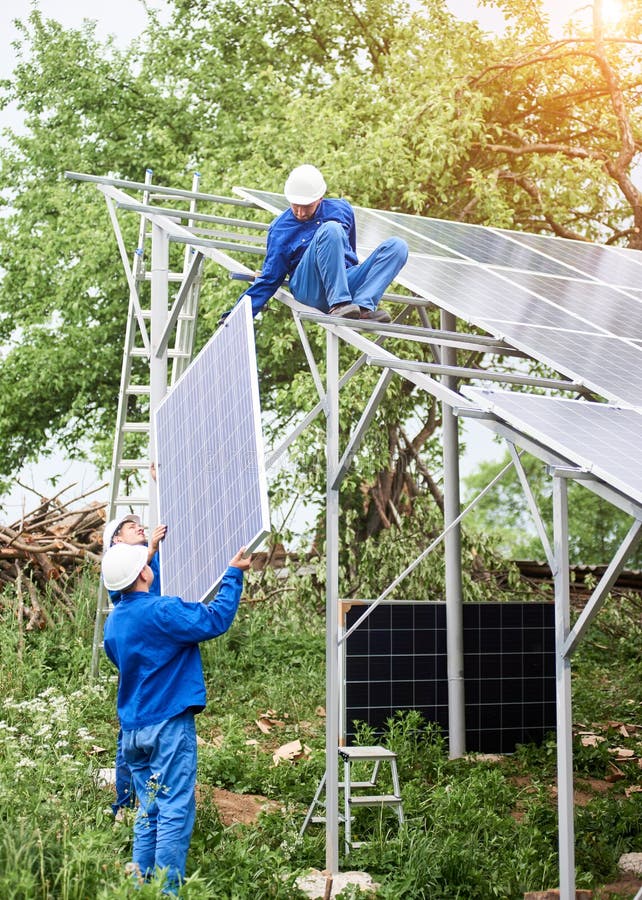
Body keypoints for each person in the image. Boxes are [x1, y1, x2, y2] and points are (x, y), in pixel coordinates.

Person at [101, 541, 251, 895]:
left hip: (133, 731)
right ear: (143, 573)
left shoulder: (113, 624)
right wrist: (232, 575)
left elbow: (120, 660)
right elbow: (215, 619)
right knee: (173, 809)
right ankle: (168, 891)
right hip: (168, 725)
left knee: (149, 808)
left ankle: (141, 887)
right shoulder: (163, 611)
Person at [232, 164, 409, 324]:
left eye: (306, 206)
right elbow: (270, 279)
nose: (300, 212)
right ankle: (339, 304)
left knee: (397, 246)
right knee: (331, 229)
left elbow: (348, 253)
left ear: (320, 198)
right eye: (295, 206)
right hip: (308, 288)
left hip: (343, 283)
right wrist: (235, 317)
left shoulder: (342, 210)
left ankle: (363, 308)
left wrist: (349, 278)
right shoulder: (280, 229)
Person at [102, 512, 167, 817]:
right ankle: (124, 806)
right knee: (131, 730)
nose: (139, 527)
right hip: (140, 652)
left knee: (143, 725)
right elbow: (126, 590)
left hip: (151, 648)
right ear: (116, 538)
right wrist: (151, 550)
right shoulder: (118, 562)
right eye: (131, 526)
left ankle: (143, 801)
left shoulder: (142, 557)